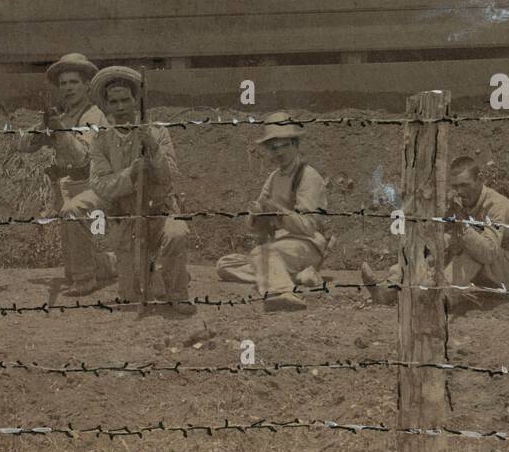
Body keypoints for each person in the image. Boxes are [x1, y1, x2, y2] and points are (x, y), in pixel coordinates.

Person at [361, 156, 509, 309]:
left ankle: (439, 297)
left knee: (473, 249)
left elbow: (489, 253)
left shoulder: (497, 206)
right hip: (496, 273)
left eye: (465, 185)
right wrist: (433, 244)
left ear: (480, 180)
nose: (460, 192)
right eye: (455, 186)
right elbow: (448, 238)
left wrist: (461, 227)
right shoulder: (461, 202)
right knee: (441, 243)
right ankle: (390, 287)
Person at [87, 66, 195, 316]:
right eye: (114, 102)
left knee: (177, 233)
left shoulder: (157, 131)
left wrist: (153, 148)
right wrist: (130, 174)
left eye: (126, 100)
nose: (121, 106)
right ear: (107, 106)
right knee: (131, 296)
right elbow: (99, 185)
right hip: (127, 222)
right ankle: (155, 273)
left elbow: (170, 178)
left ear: (136, 100)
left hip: (159, 213)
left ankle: (178, 293)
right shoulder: (101, 140)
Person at [17, 53, 116, 296]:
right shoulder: (63, 115)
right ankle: (115, 262)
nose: (68, 88)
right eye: (63, 83)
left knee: (79, 249)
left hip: (92, 186)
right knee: (71, 268)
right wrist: (42, 130)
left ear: (86, 86)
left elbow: (81, 157)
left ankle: (86, 280)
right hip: (66, 186)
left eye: (74, 82)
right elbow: (22, 145)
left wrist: (60, 131)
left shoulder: (93, 116)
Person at [217, 112, 329, 313]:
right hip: (280, 247)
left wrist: (277, 212)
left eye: (284, 145)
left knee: (263, 254)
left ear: (295, 145)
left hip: (306, 245)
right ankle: (297, 276)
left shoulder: (308, 176)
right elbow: (253, 224)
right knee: (225, 264)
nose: (278, 153)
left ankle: (281, 292)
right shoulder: (274, 177)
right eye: (272, 148)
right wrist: (256, 215)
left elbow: (308, 226)